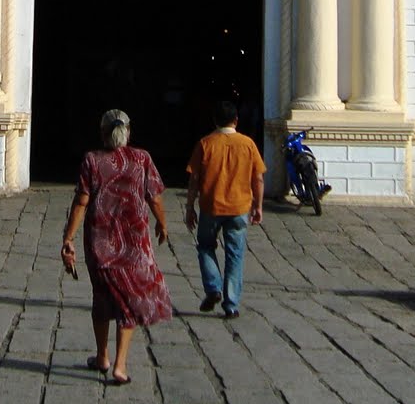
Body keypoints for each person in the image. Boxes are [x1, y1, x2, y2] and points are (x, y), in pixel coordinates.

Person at [59, 109, 173, 385]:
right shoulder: (141, 159)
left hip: (101, 243)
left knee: (102, 297)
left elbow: (82, 202)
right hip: (135, 242)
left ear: (102, 133)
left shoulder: (93, 160)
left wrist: (68, 237)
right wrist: (162, 223)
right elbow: (154, 197)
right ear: (128, 132)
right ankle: (120, 365)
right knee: (129, 299)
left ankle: (102, 356)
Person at [185, 99, 265, 319]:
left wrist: (189, 206)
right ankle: (231, 305)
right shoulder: (247, 144)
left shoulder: (205, 143)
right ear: (236, 120)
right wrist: (258, 205)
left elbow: (194, 179)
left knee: (205, 247)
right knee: (235, 255)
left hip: (211, 206)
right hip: (239, 207)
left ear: (214, 120)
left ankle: (213, 288)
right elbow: (258, 178)